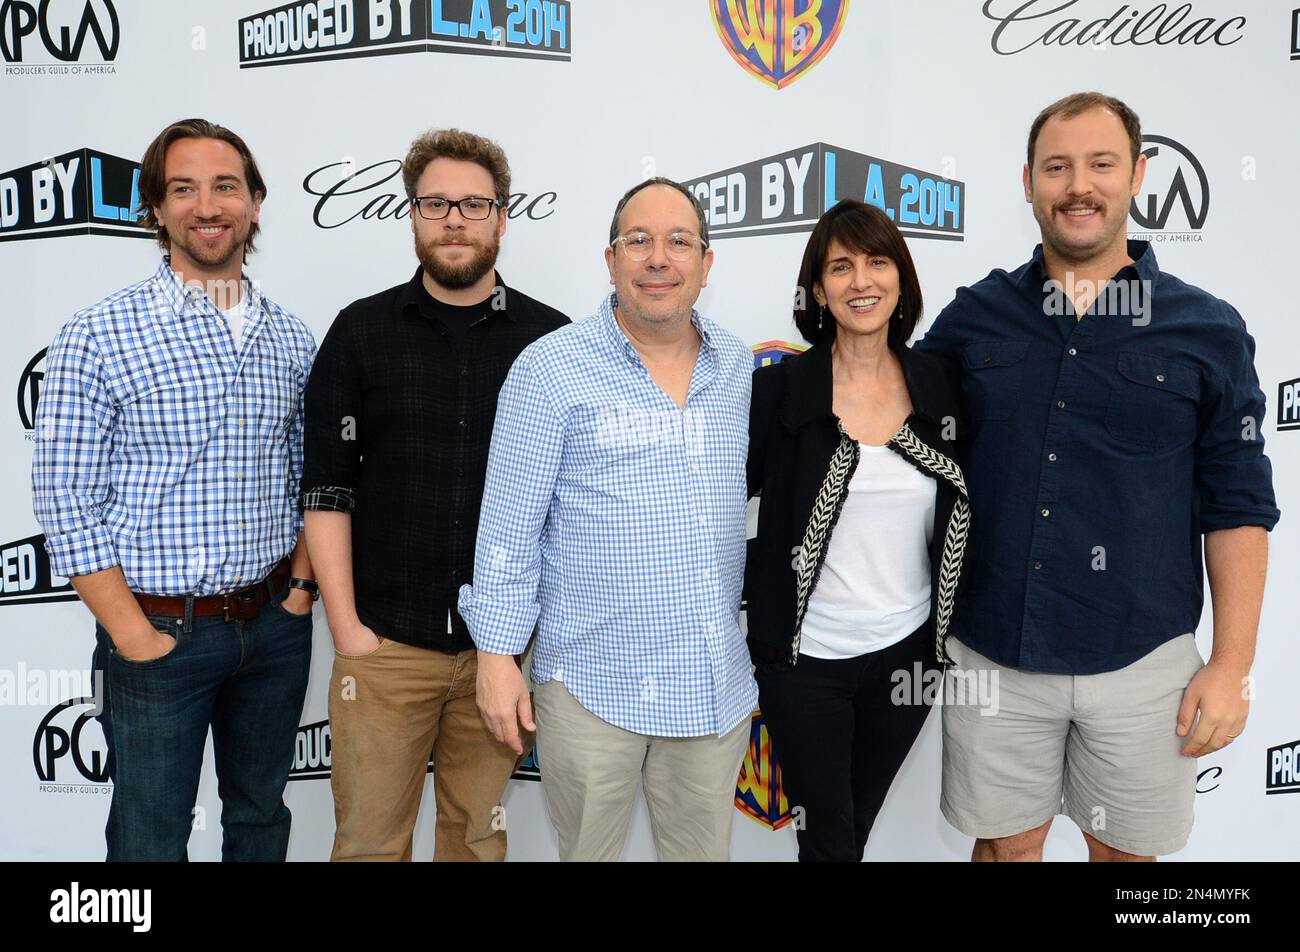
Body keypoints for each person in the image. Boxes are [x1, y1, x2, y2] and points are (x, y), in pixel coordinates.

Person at [917, 91, 1279, 861]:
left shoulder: (1207, 328)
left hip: (1143, 659)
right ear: (1028, 184)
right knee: (1006, 852)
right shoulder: (972, 318)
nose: (1078, 184)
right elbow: (892, 416)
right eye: (1057, 167)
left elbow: (1239, 502)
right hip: (996, 653)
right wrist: (811, 367)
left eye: (1100, 164)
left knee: (1126, 860)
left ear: (1138, 174)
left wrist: (1233, 662)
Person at [31, 118, 318, 861]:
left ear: (256, 202)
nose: (207, 205)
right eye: (182, 188)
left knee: (260, 819)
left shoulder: (291, 338)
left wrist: (298, 594)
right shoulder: (99, 334)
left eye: (226, 186)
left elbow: (307, 476)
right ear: (154, 209)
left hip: (273, 629)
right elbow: (66, 500)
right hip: (159, 635)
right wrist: (133, 635)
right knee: (149, 839)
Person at [460, 177, 756, 862]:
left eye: (680, 241)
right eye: (639, 241)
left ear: (705, 265)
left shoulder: (737, 366)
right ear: (611, 259)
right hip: (593, 687)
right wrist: (497, 658)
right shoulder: (551, 368)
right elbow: (508, 529)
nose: (659, 259)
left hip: (712, 687)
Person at [301, 128, 569, 862]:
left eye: (474, 203)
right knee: (367, 846)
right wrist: (350, 632)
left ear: (503, 217)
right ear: (413, 215)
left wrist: (515, 644)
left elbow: (570, 509)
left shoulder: (553, 344)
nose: (455, 219)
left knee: (478, 844)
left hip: (502, 650)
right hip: (385, 646)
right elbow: (326, 491)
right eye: (436, 203)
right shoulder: (359, 333)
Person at [746, 199, 969, 861]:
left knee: (853, 833)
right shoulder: (783, 389)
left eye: (877, 261)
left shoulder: (941, 384)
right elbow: (720, 506)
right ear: (817, 288)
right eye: (840, 267)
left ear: (902, 277)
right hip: (806, 664)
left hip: (908, 660)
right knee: (830, 843)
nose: (861, 280)